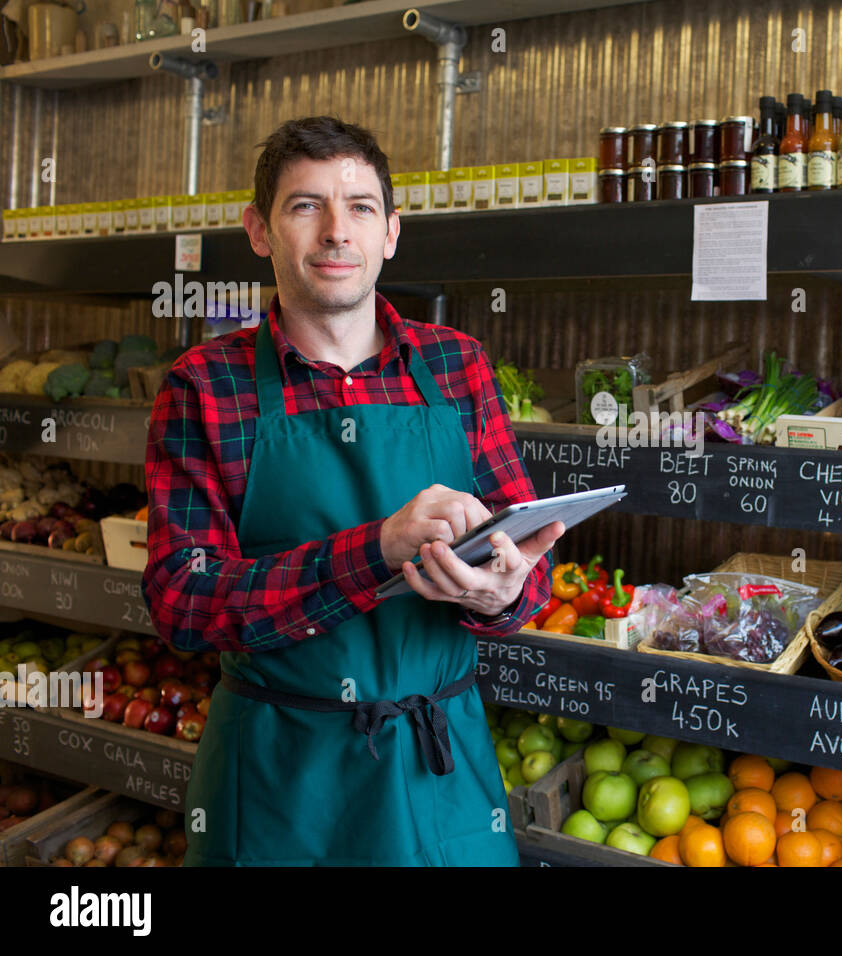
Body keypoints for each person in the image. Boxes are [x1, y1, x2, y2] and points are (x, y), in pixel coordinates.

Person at [142, 115, 561, 866]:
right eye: (306, 206)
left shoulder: (459, 367)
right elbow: (183, 602)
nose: (337, 231)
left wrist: (502, 596)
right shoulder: (206, 386)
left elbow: (528, 575)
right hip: (281, 775)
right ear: (259, 230)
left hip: (439, 764)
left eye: (361, 207)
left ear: (391, 231)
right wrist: (375, 551)